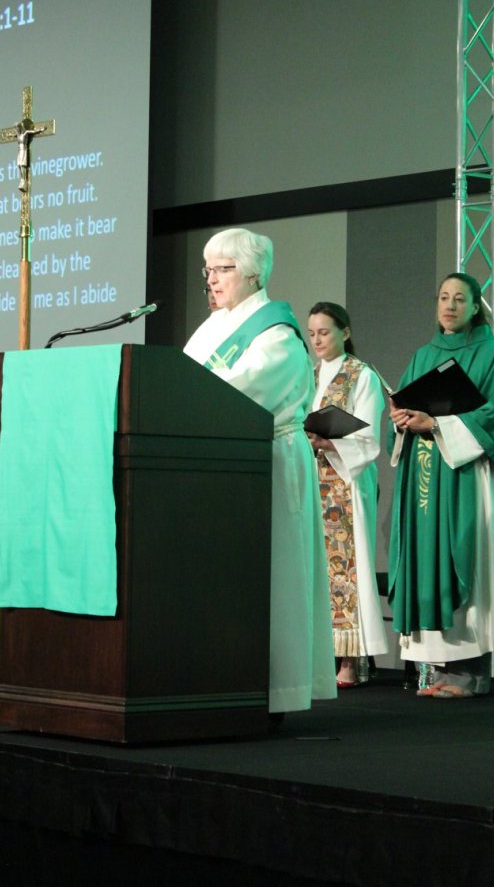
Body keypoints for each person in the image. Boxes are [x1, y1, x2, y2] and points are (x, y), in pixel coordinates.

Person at [184, 228, 336, 714]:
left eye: (223, 269)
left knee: (274, 581)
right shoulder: (211, 328)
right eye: (208, 270)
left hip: (267, 467)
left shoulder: (278, 335)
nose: (212, 279)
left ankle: (275, 690)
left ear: (253, 272)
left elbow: (239, 393)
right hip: (222, 469)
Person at [387, 273, 494, 698]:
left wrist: (436, 422)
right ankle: (437, 670)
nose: (449, 305)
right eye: (443, 297)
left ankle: (470, 673)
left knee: (468, 560)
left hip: (468, 478)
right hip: (424, 478)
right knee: (426, 560)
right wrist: (401, 421)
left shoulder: (492, 355)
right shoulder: (423, 355)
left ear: (476, 307)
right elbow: (405, 407)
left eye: (459, 299)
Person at [307, 302, 388, 687]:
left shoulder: (361, 376)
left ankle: (351, 660)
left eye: (325, 331)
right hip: (311, 481)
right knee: (315, 570)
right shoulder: (309, 376)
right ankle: (318, 654)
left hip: (346, 482)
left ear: (345, 332)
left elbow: (369, 437)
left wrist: (329, 442)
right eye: (312, 333)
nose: (317, 340)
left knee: (347, 570)